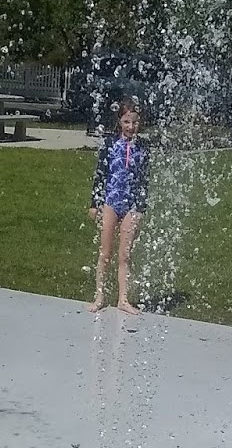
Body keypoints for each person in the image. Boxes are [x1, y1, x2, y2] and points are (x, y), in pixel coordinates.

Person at [87, 98, 149, 315]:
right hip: (111, 202)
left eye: (134, 122)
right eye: (126, 122)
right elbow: (100, 175)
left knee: (125, 255)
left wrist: (141, 208)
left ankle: (123, 299)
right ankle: (100, 296)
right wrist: (95, 203)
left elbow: (144, 180)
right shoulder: (110, 144)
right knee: (105, 253)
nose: (131, 126)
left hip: (131, 204)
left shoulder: (143, 147)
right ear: (119, 122)